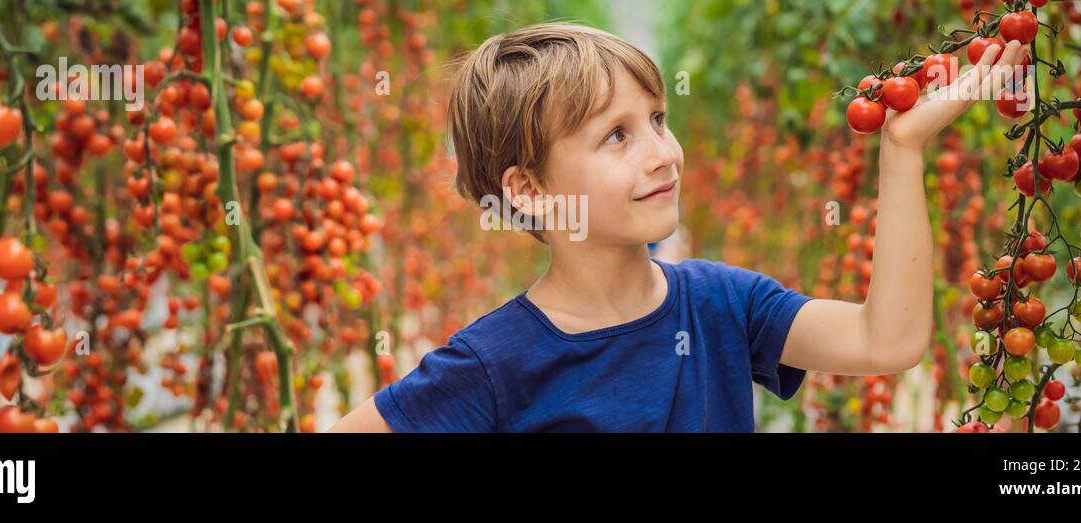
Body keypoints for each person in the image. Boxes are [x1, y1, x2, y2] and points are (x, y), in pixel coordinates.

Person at [328, 22, 1027, 432]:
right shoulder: (491, 364)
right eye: (616, 137)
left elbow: (889, 339)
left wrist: (902, 150)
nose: (664, 153)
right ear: (530, 190)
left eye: (659, 120)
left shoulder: (726, 304)